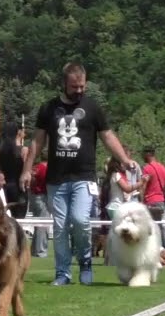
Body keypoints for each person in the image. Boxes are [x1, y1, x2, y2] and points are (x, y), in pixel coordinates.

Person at [21, 62, 136, 286]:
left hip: (84, 177)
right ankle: (62, 273)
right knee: (61, 227)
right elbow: (37, 141)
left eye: (82, 86)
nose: (79, 91)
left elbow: (108, 136)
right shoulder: (49, 108)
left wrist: (124, 159)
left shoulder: (93, 107)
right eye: (74, 87)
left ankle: (85, 262)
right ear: (64, 84)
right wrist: (27, 169)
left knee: (81, 220)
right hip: (56, 179)